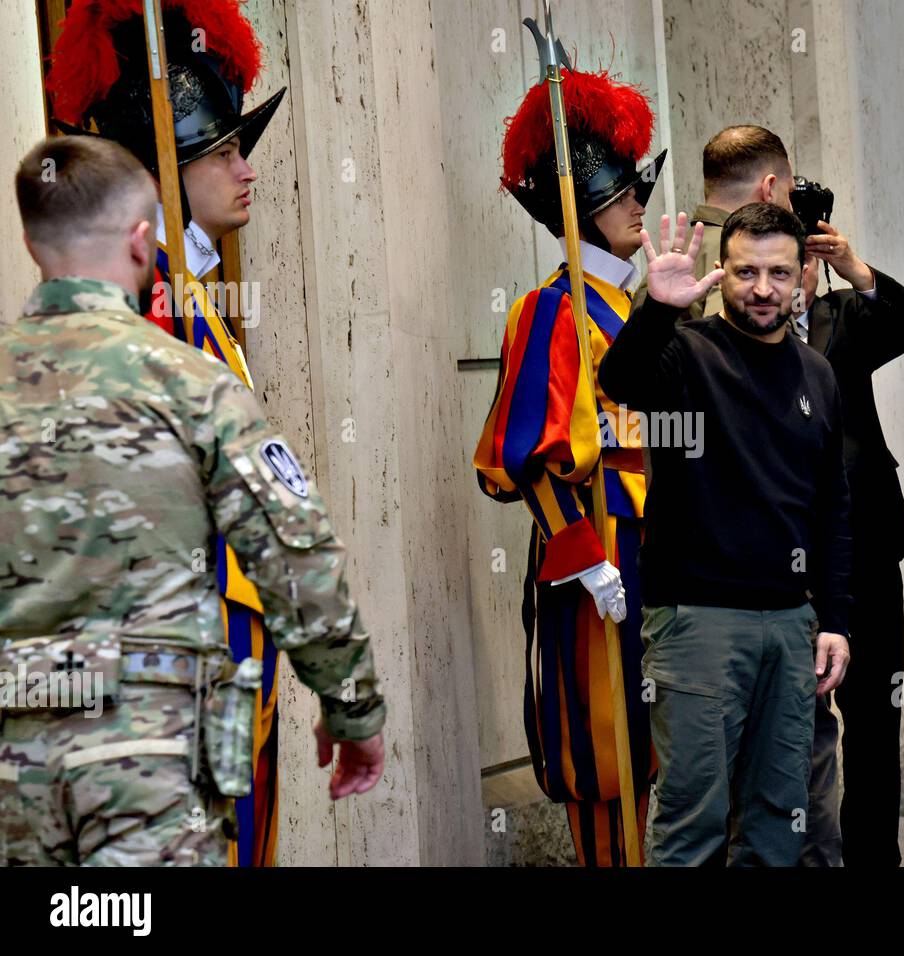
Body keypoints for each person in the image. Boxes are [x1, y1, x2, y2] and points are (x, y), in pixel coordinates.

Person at [0, 135, 385, 867]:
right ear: (144, 242)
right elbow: (296, 554)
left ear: (29, 242)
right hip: (151, 759)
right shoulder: (190, 382)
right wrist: (353, 706)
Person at [45, 0, 288, 866]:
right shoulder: (145, 310)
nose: (245, 167)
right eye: (221, 151)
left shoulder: (198, 308)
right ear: (168, 175)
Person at [601, 205, 852, 866]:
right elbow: (618, 382)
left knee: (778, 822)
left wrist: (835, 622)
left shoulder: (818, 375)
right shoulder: (686, 353)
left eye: (778, 272)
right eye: (746, 272)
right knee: (693, 823)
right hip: (698, 623)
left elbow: (833, 510)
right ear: (723, 271)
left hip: (793, 626)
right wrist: (656, 308)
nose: (762, 288)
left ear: (803, 278)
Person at [473, 67, 666, 867]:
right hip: (596, 546)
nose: (639, 204)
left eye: (636, 190)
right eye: (620, 195)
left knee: (651, 741)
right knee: (601, 745)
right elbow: (527, 454)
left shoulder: (645, 304)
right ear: (581, 211)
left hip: (659, 540)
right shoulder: (553, 306)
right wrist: (584, 558)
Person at [791, 221, 904, 867]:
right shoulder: (724, 336)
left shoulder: (843, 315)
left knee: (875, 719)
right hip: (784, 561)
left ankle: (875, 859)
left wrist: (855, 267)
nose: (791, 280)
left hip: (867, 548)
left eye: (800, 261)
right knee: (794, 727)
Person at [633, 125, 794, 319]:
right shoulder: (742, 258)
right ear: (769, 188)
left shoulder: (665, 266)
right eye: (789, 193)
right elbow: (739, 346)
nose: (791, 208)